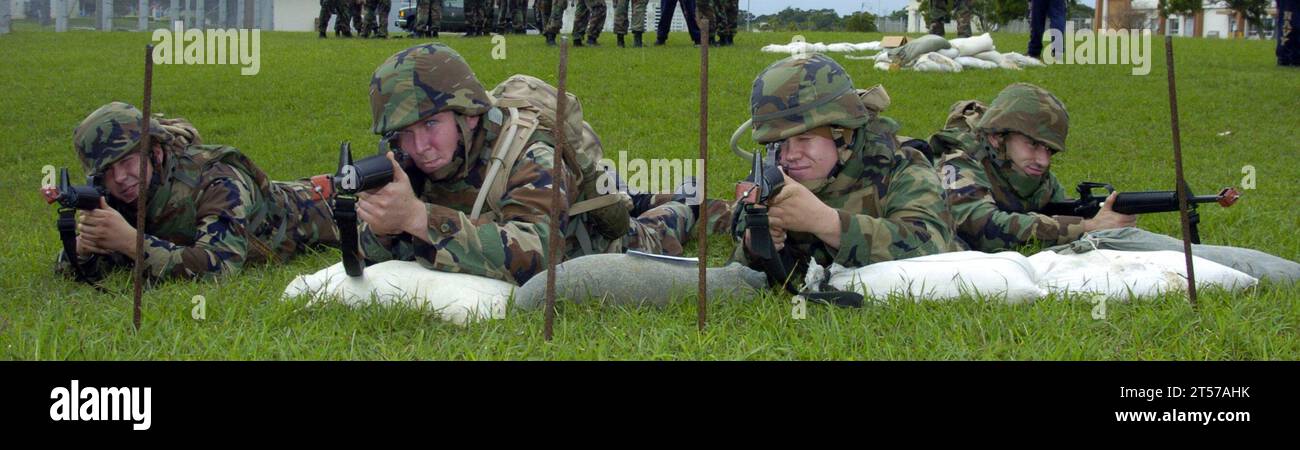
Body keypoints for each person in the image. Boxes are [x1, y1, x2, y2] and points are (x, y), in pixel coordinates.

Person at [356, 43, 728, 285]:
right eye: (405, 131)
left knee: (661, 223)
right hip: (534, 206)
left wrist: (419, 219)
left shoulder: (532, 151)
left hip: (595, 237)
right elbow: (372, 250)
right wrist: (385, 226)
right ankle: (635, 191)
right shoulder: (410, 158)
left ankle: (686, 200)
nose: (420, 145)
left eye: (431, 124)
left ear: (468, 116)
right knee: (626, 190)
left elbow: (538, 258)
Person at [935, 83, 1300, 282]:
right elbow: (982, 226)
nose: (1043, 161)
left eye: (1050, 151)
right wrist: (1087, 226)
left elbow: (1055, 211)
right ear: (999, 136)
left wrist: (1095, 222)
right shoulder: (959, 161)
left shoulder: (1027, 172)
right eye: (1032, 145)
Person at [731, 54, 957, 285]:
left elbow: (932, 245)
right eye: (778, 144)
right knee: (716, 211)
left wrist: (826, 222)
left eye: (805, 139)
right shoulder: (776, 175)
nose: (790, 155)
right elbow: (741, 241)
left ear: (843, 132)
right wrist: (755, 244)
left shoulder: (901, 164)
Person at [55, 102, 339, 281]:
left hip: (317, 208)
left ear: (155, 153)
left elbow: (221, 267)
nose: (120, 178)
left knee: (363, 198)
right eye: (107, 171)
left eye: (128, 162)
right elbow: (74, 269)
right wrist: (83, 248)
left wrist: (132, 243)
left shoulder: (217, 180)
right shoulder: (116, 192)